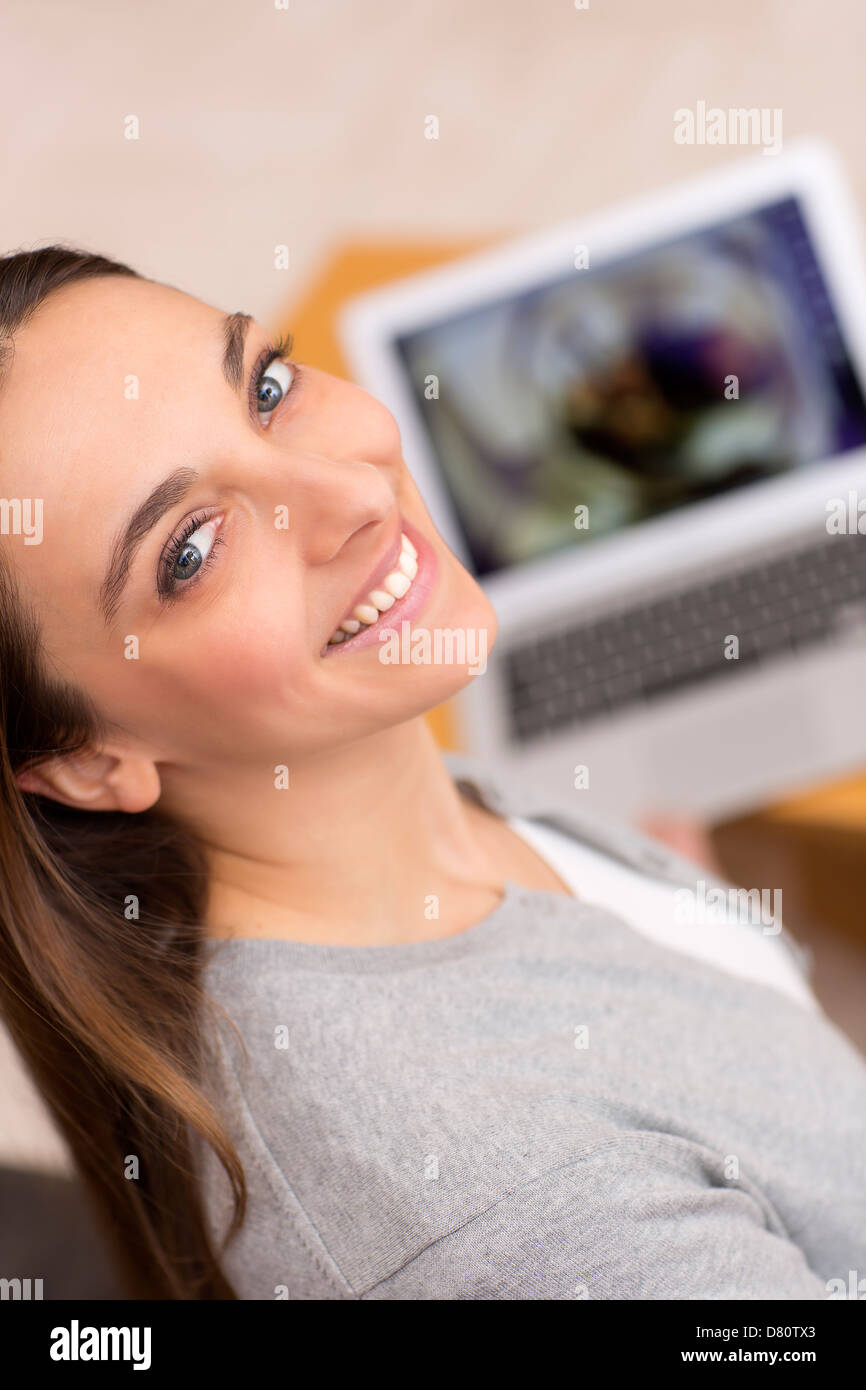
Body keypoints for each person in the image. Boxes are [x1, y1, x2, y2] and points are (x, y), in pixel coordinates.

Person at [0, 246, 863, 1301]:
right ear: (91, 761)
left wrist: (679, 935)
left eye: (264, 389)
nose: (349, 492)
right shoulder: (522, 1216)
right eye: (189, 550)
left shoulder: (375, 790)